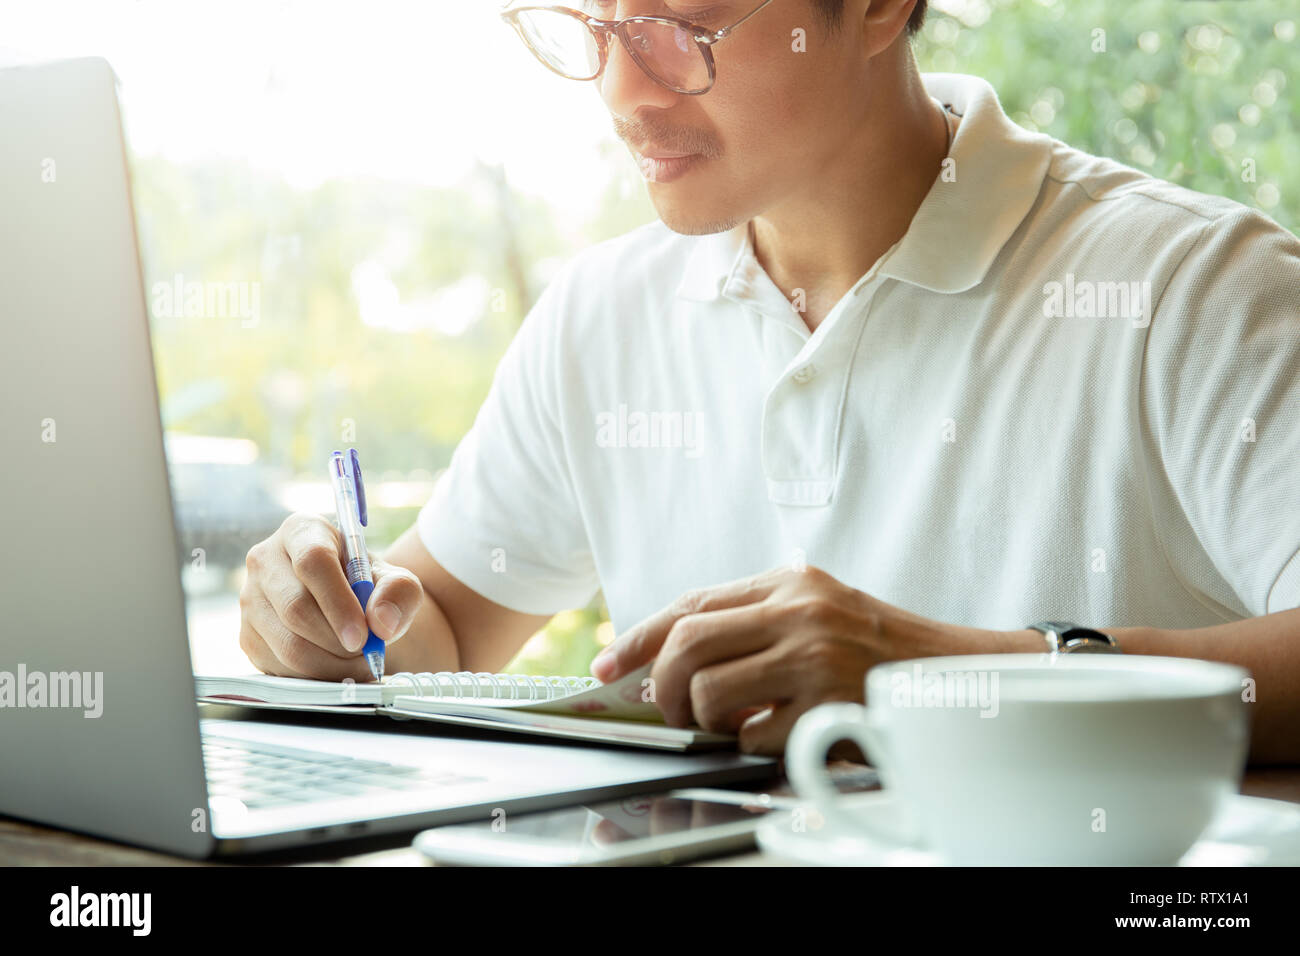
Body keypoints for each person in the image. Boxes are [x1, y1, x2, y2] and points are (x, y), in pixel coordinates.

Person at [238, 0, 1300, 760]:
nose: (622, 91)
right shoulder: (601, 315)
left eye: (680, 30)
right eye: (595, 26)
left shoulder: (1194, 285)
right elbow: (445, 634)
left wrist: (934, 673)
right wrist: (329, 622)